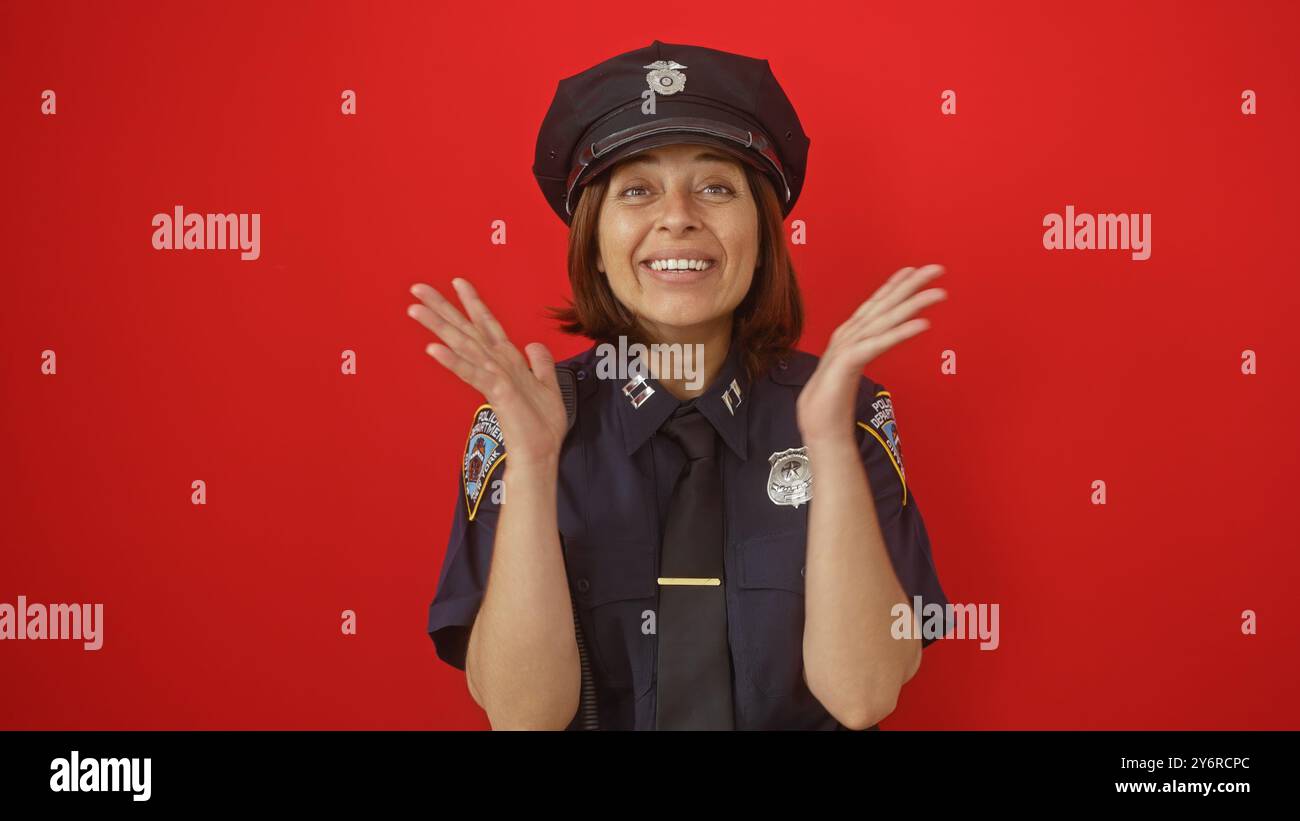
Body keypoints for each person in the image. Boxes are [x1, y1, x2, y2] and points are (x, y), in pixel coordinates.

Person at [409, 40, 950, 730]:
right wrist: (537, 463)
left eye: (716, 187)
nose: (677, 216)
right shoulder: (525, 418)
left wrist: (829, 444)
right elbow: (523, 714)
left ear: (762, 238)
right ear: (596, 249)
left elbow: (864, 693)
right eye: (637, 190)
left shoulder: (849, 413)